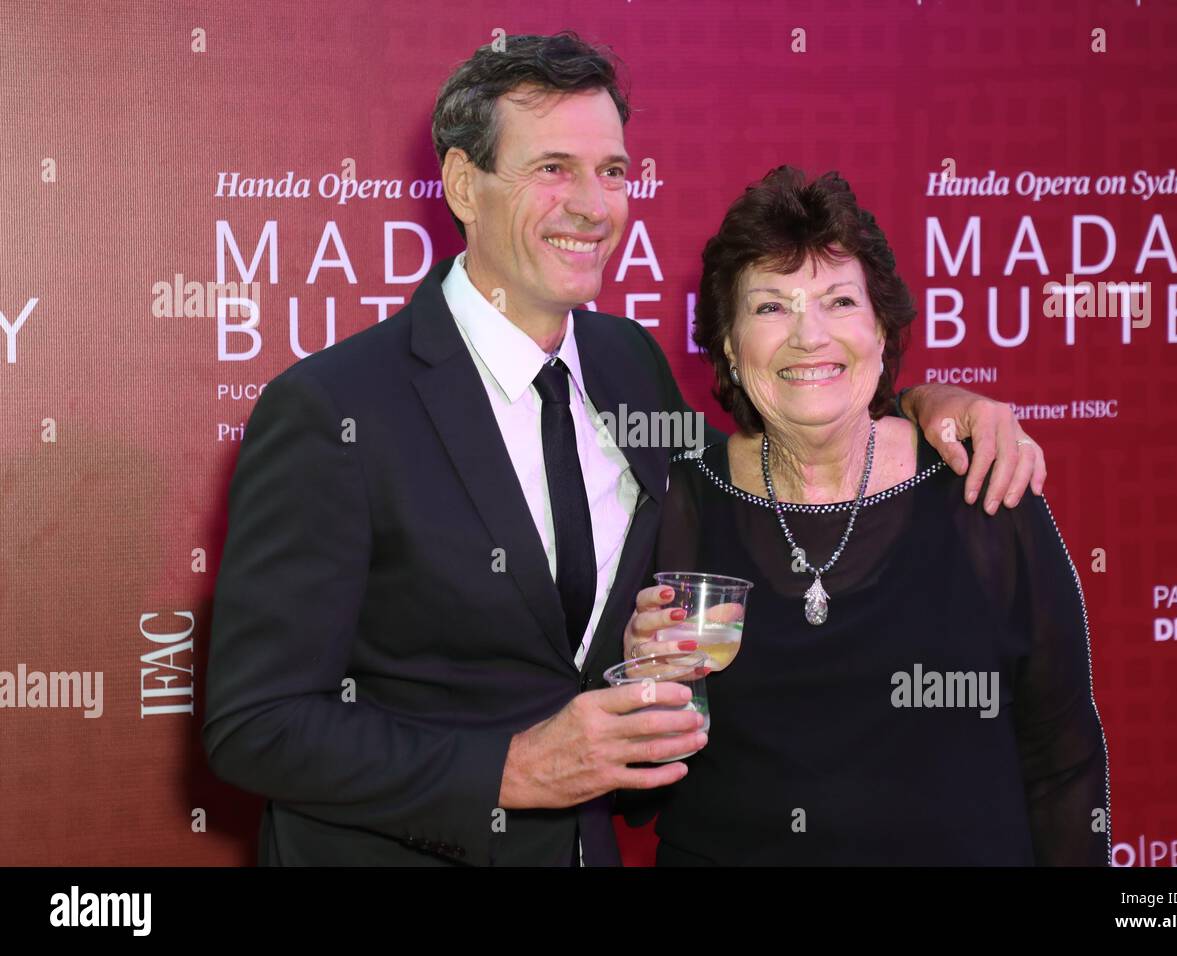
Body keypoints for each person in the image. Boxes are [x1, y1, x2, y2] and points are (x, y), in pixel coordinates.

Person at [202, 32, 1046, 867]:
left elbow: (780, 449)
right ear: (464, 183)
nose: (592, 205)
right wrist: (507, 772)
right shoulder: (332, 410)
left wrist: (931, 405)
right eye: (551, 169)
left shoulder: (626, 364)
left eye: (611, 171)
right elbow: (255, 725)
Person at [623, 166, 1109, 865]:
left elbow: (1065, 763)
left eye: (838, 301)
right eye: (769, 308)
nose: (808, 336)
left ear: (882, 331)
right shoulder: (679, 504)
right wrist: (648, 687)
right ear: (728, 346)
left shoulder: (981, 490)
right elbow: (639, 795)